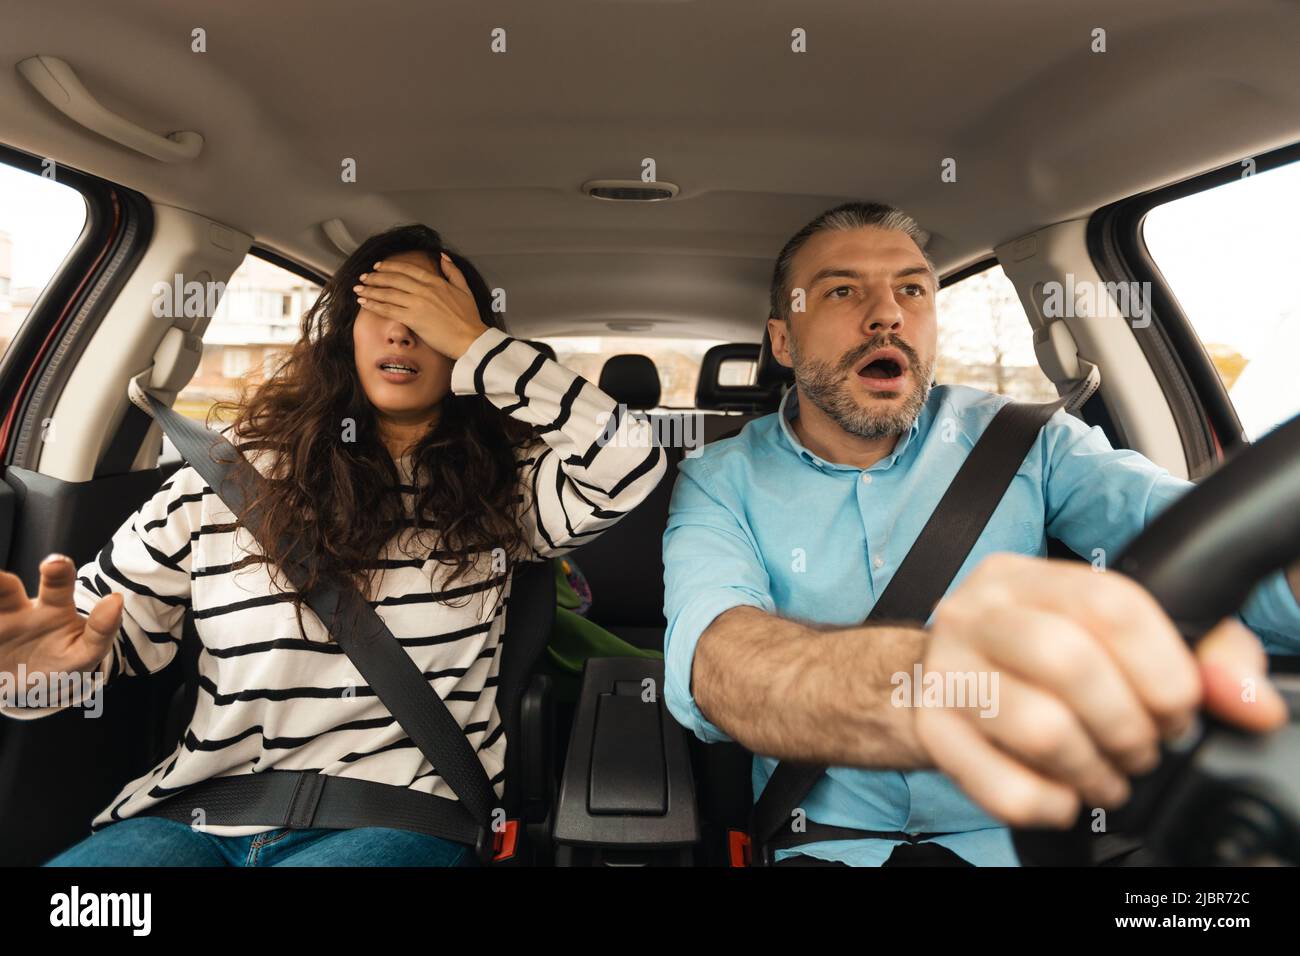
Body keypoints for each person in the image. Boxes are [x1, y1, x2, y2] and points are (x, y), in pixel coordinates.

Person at [0, 223, 666, 866]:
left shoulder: (507, 493)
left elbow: (631, 459)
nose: (403, 330)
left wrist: (477, 343)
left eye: (430, 312)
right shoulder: (226, 476)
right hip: (199, 814)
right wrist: (36, 675)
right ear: (346, 329)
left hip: (398, 816)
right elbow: (100, 631)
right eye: (382, 307)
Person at [661, 201, 1300, 866]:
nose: (888, 314)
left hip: (1030, 842)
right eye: (842, 291)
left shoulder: (1027, 440)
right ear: (784, 341)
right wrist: (948, 686)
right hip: (823, 846)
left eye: (913, 289)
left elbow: (1199, 540)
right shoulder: (719, 477)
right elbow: (718, 658)